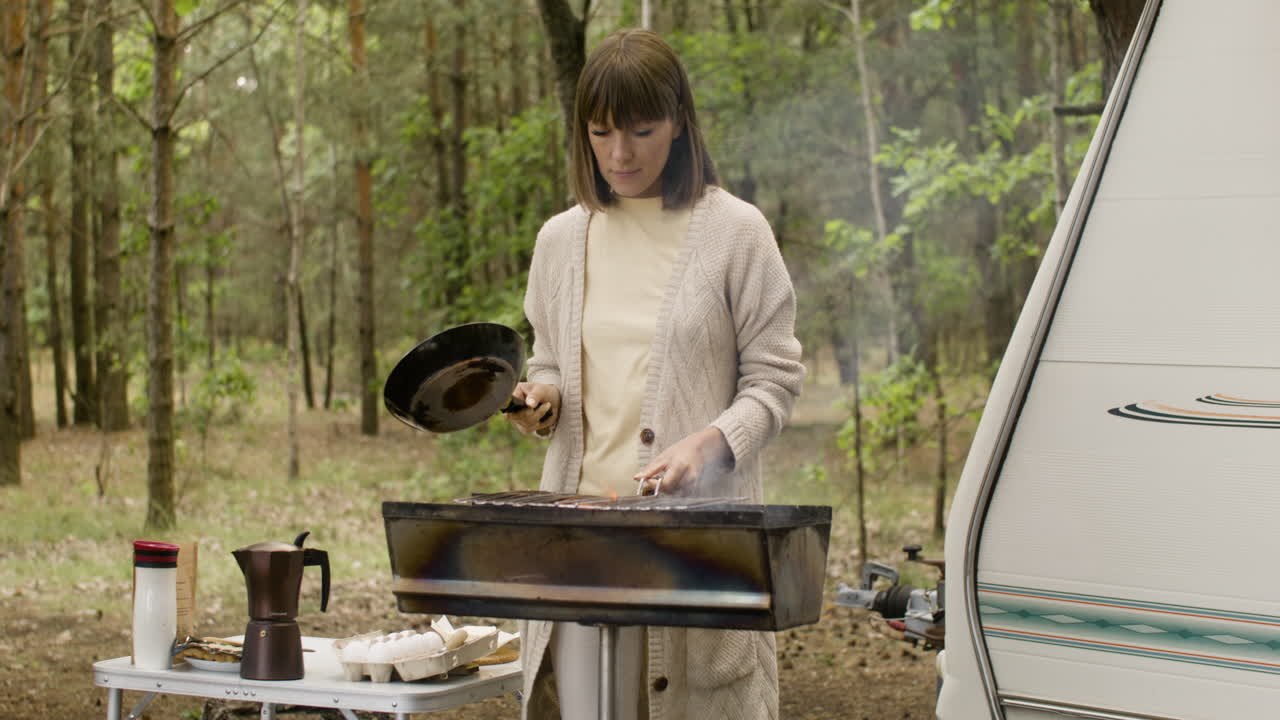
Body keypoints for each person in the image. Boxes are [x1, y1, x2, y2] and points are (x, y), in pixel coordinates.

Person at [505, 28, 804, 720]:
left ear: (678, 123)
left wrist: (710, 441)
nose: (619, 154)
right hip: (576, 547)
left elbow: (776, 379)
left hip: (690, 549)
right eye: (601, 132)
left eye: (640, 131)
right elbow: (549, 357)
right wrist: (541, 397)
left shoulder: (736, 232)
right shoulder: (560, 240)